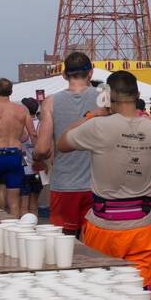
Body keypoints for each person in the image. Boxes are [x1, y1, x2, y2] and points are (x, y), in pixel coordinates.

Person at [57, 70, 151, 284]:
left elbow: (63, 143)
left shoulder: (97, 127)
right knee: (137, 291)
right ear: (138, 94)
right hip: (142, 223)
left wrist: (93, 114)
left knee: (101, 291)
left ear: (107, 95)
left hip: (104, 224)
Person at [33, 52, 100, 236]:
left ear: (63, 75)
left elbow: (42, 148)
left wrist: (36, 158)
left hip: (64, 184)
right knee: (94, 248)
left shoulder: (51, 103)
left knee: (65, 247)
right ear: (91, 73)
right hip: (97, 185)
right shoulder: (104, 100)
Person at [0, 78, 35, 217]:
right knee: (14, 199)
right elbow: (33, 134)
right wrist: (37, 156)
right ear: (11, 91)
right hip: (15, 153)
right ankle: (15, 227)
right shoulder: (22, 110)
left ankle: (1, 217)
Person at [19, 98, 42, 218]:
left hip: (24, 168)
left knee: (23, 205)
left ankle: (24, 230)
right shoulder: (42, 125)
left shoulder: (21, 126)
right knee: (34, 205)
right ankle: (34, 228)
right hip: (39, 169)